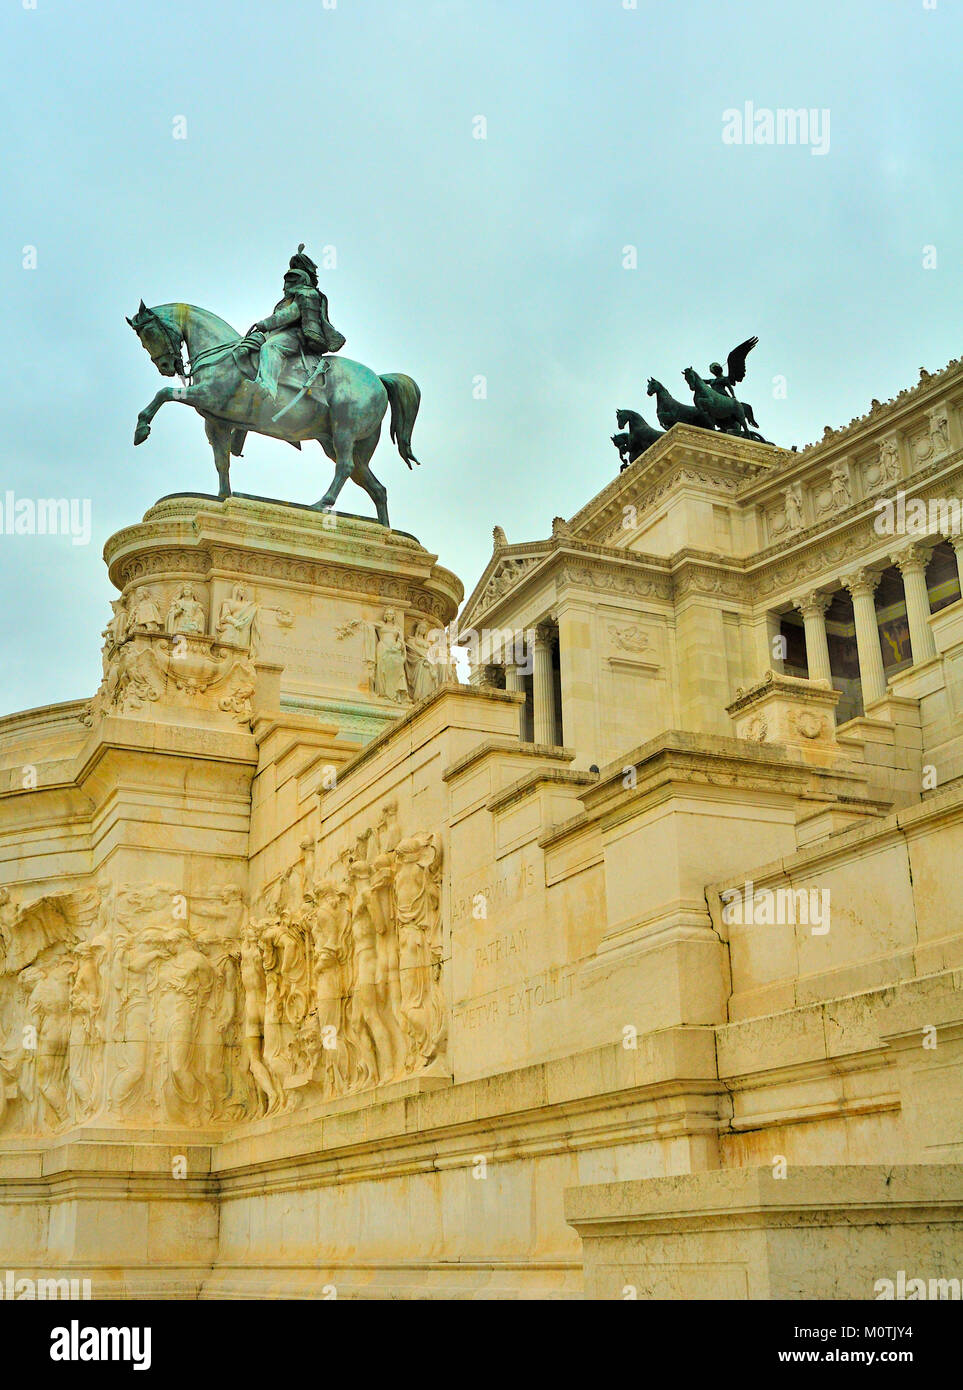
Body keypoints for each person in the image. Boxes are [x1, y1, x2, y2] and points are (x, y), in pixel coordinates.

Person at [247, 244, 346, 400]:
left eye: (289, 281)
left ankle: (268, 388)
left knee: (270, 348)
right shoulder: (289, 298)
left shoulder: (306, 293)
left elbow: (289, 315)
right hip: (281, 333)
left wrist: (264, 323)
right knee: (250, 345)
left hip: (298, 336)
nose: (285, 286)